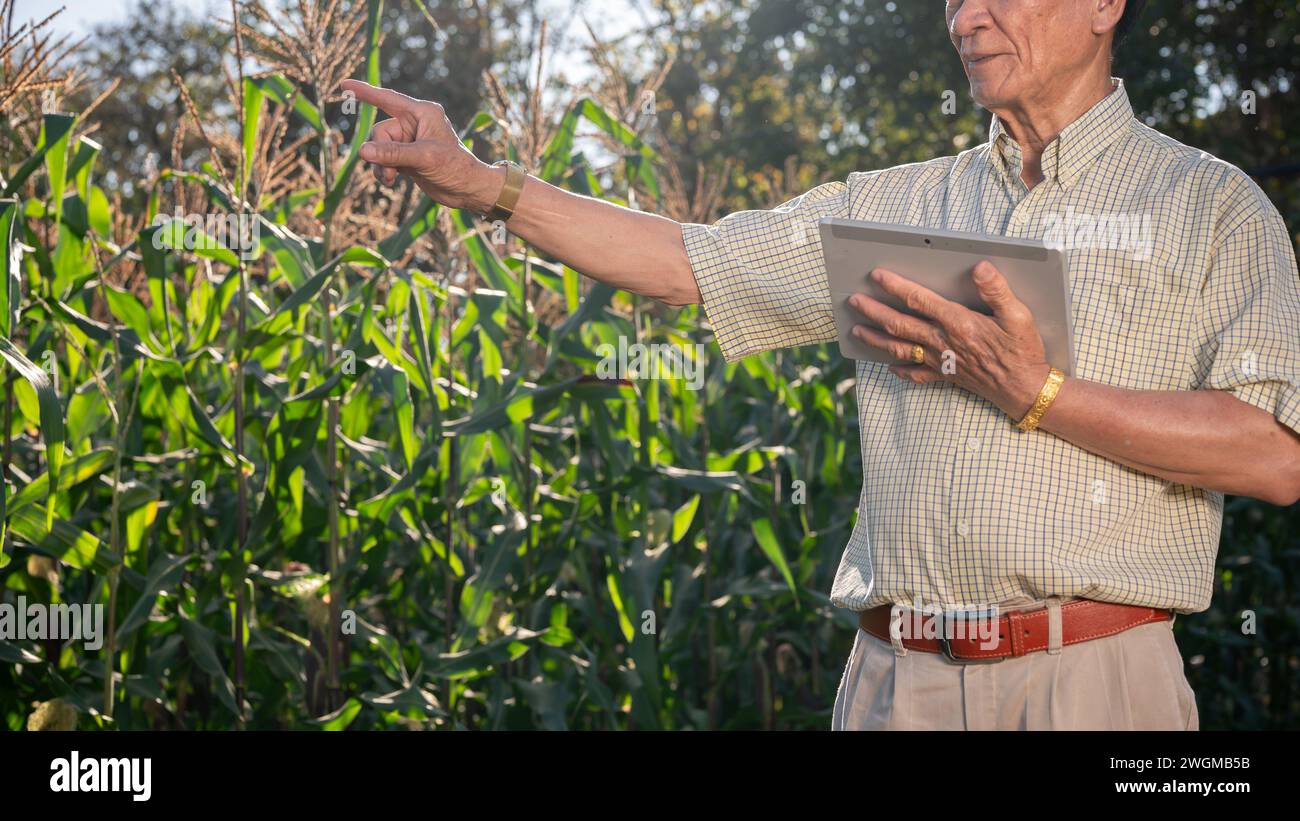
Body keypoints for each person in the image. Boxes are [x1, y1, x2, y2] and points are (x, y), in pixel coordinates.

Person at [341, 0, 1300, 730]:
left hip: (1095, 687)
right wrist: (482, 183)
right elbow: (687, 261)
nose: (963, 20)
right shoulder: (893, 204)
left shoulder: (1212, 208)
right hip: (895, 684)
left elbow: (1274, 453)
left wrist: (1036, 392)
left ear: (1104, 5)